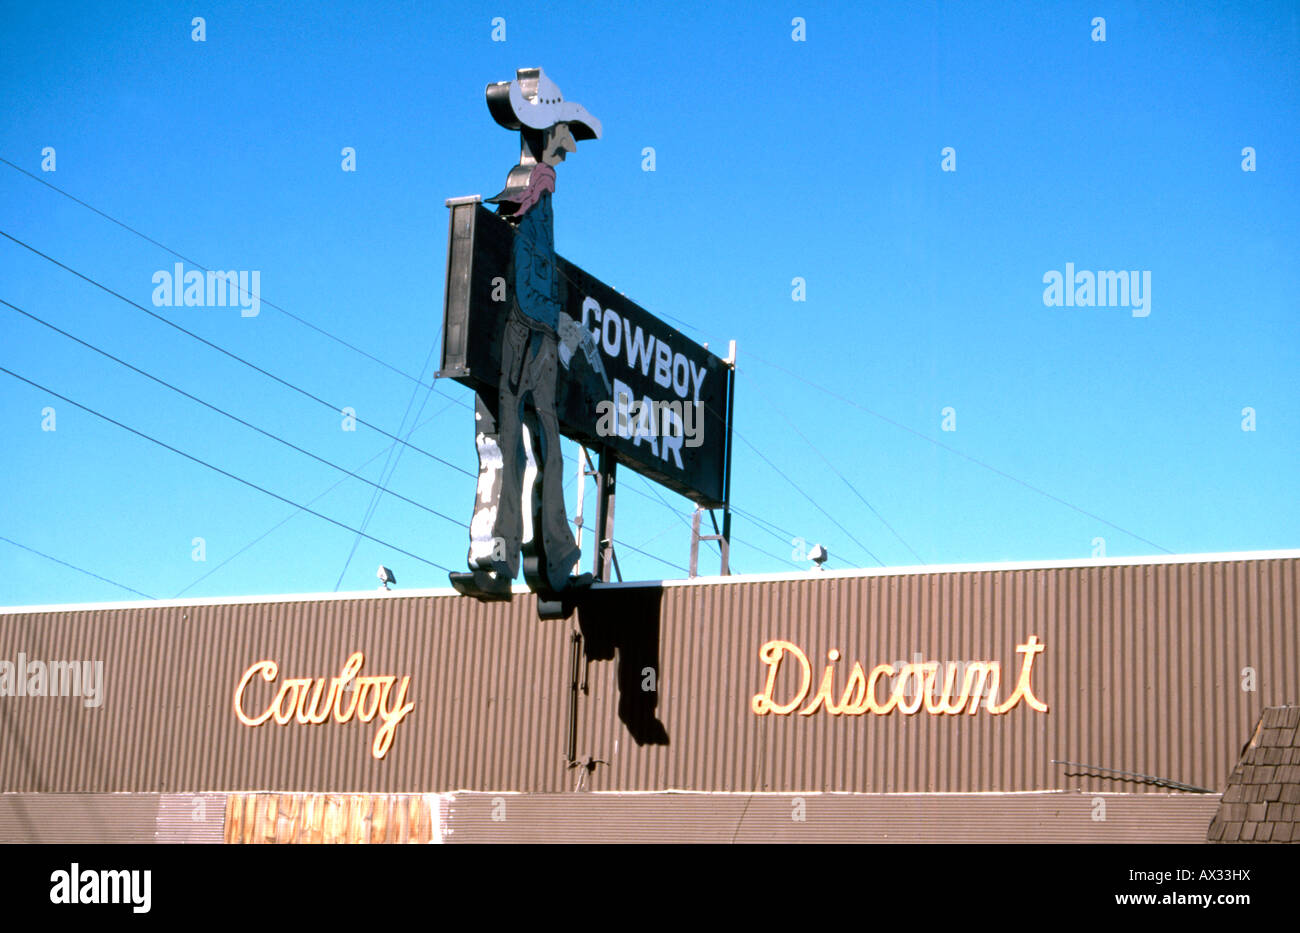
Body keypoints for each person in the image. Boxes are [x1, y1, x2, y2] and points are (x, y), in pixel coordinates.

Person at [450, 70, 600, 603]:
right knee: (506, 440)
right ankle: (499, 553)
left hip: (535, 335)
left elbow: (540, 277)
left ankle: (548, 556)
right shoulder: (531, 188)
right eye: (561, 135)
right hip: (522, 334)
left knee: (539, 446)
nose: (566, 147)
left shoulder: (542, 192)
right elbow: (521, 257)